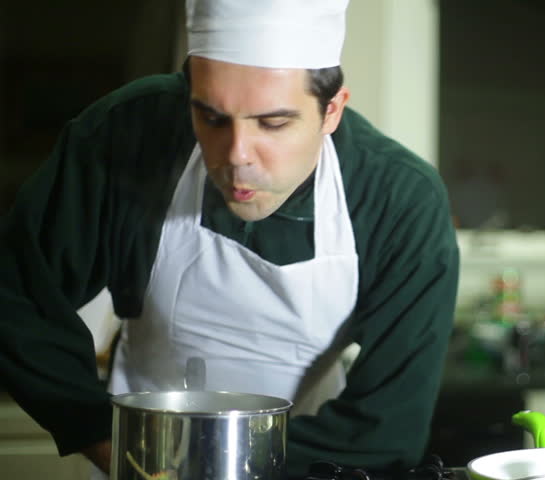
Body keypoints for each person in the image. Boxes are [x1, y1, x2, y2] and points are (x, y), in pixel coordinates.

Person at [0, 0, 459, 478]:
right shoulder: (128, 134)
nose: (237, 157)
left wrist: (201, 466)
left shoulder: (398, 199)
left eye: (274, 123)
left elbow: (386, 429)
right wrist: (104, 437)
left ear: (332, 111)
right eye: (212, 118)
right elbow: (16, 296)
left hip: (307, 469)